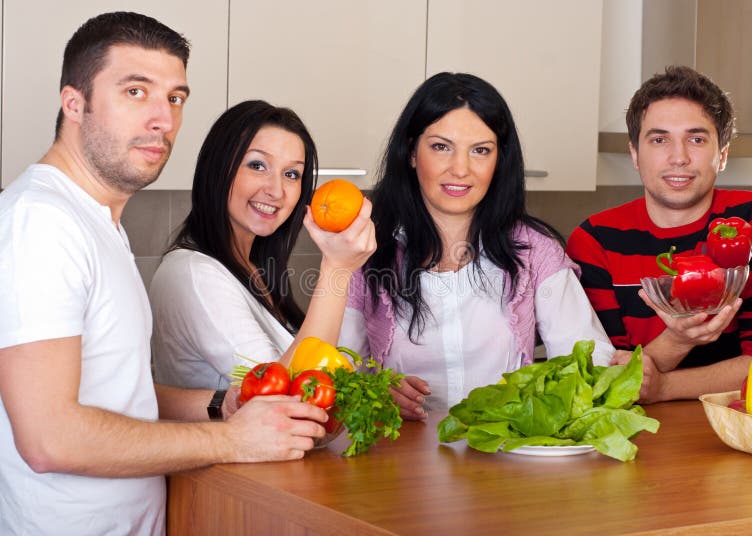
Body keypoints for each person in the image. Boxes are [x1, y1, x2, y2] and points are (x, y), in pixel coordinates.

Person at [0, 12, 330, 535]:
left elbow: (113, 392)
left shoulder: (98, 225)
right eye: (136, 91)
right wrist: (234, 440)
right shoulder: (40, 222)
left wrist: (223, 404)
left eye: (175, 98)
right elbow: (50, 439)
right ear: (74, 103)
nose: (163, 119)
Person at [338, 72, 615, 421]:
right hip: (399, 463)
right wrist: (376, 390)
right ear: (411, 152)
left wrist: (544, 395)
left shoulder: (537, 253)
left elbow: (590, 362)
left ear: (499, 161)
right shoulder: (364, 252)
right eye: (441, 147)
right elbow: (334, 372)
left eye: (481, 151)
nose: (460, 169)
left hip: (506, 460)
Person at [566, 65, 752, 404]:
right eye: (659, 139)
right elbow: (612, 377)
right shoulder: (594, 239)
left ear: (723, 155)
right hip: (632, 435)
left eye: (697, 139)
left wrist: (663, 387)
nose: (679, 158)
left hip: (736, 427)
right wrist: (679, 339)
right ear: (634, 153)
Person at [150, 100, 376, 391]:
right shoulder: (194, 274)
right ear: (217, 168)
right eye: (257, 165)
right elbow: (288, 397)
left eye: (291, 174)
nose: (276, 190)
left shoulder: (253, 269)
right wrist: (337, 270)